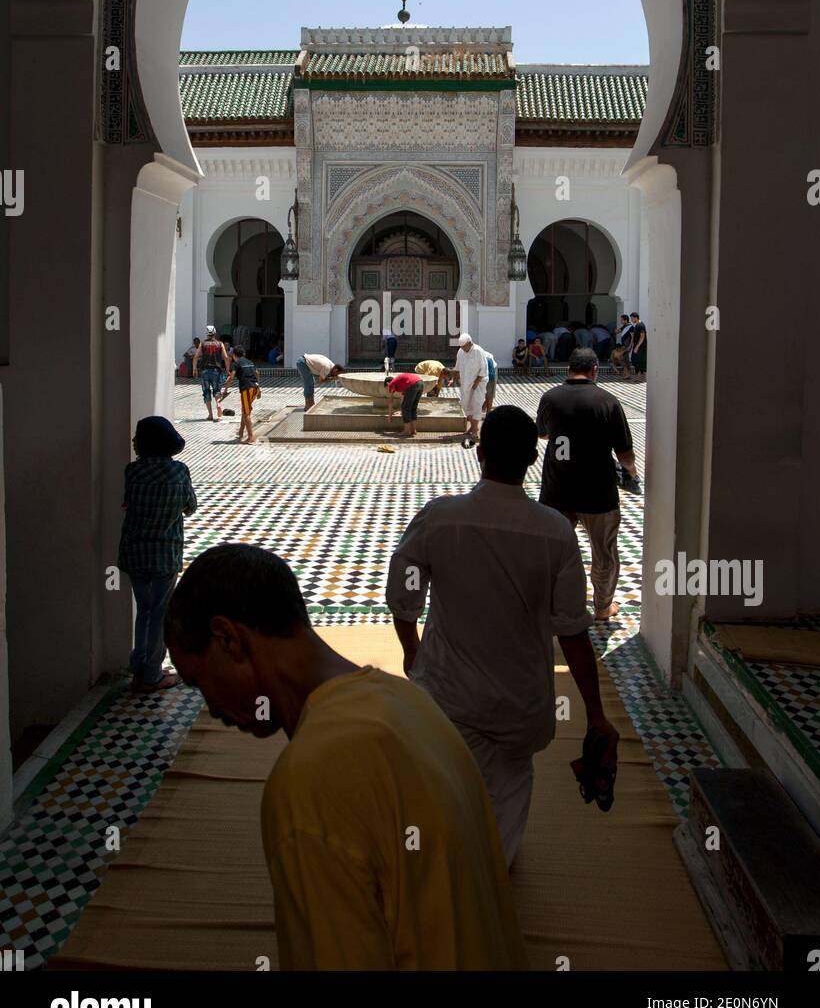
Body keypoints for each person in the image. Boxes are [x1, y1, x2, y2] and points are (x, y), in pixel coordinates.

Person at [164, 544, 528, 971]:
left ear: (228, 638)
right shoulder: (411, 702)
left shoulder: (308, 783)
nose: (210, 708)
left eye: (198, 679)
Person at [386, 406, 619, 868]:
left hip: (446, 699)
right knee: (500, 827)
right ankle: (483, 881)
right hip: (520, 707)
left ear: (481, 454)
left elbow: (403, 591)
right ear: (533, 459)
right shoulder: (555, 532)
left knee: (443, 799)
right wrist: (596, 714)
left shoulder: (440, 518)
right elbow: (572, 632)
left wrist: (413, 651)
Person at [536, 348, 639, 621]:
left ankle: (554, 606)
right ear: (595, 370)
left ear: (568, 369)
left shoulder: (550, 398)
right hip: (598, 492)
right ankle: (603, 607)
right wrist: (632, 473)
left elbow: (543, 434)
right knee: (604, 553)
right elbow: (625, 454)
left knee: (552, 551)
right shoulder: (607, 401)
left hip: (557, 490)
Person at [118, 416, 197, 695]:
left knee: (144, 610)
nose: (133, 441)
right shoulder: (178, 471)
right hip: (164, 552)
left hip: (135, 552)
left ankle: (139, 666)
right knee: (159, 612)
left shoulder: (132, 471)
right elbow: (190, 507)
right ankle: (152, 674)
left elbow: (128, 504)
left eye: (137, 437)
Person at [453, 332, 488, 449]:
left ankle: (475, 430)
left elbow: (483, 369)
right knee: (466, 405)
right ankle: (472, 428)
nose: (463, 349)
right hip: (465, 383)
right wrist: (454, 379)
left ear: (469, 343)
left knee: (476, 404)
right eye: (461, 347)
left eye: (464, 346)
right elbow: (457, 367)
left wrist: (476, 383)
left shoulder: (478, 351)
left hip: (478, 383)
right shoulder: (461, 352)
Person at [222, 346, 261, 444]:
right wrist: (258, 387)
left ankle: (251, 437)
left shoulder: (236, 364)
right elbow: (257, 373)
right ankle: (240, 432)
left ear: (234, 355)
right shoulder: (250, 362)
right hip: (255, 388)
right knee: (245, 409)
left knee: (246, 413)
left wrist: (225, 389)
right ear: (243, 354)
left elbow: (231, 377)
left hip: (247, 389)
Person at [192, 326, 230, 421]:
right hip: (216, 371)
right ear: (215, 333)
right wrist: (227, 369)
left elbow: (196, 357)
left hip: (204, 371)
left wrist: (194, 369)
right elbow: (225, 357)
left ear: (207, 333)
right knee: (216, 390)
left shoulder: (203, 344)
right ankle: (218, 404)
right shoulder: (220, 344)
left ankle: (210, 415)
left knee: (206, 392)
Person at [385, 371, 424, 438]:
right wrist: (401, 410)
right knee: (413, 407)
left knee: (406, 408)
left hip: (413, 384)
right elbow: (403, 398)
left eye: (386, 388)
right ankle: (413, 430)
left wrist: (390, 416)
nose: (389, 390)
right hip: (420, 383)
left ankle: (407, 431)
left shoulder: (391, 384)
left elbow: (391, 401)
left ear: (387, 383)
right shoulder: (400, 382)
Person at [629, 312, 648, 380]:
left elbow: (642, 337)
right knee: (635, 360)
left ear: (635, 318)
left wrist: (637, 347)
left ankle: (642, 377)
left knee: (640, 361)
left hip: (641, 347)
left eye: (632, 318)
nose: (631, 320)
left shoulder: (641, 325)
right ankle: (638, 377)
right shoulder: (636, 325)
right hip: (637, 346)